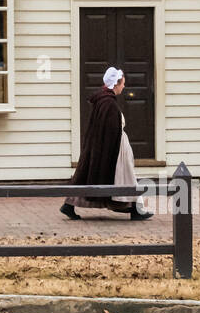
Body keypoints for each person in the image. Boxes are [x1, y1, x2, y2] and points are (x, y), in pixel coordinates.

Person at [59, 66, 153, 221]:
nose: (124, 86)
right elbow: (109, 129)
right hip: (114, 149)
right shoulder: (107, 103)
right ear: (116, 84)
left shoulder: (104, 100)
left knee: (91, 174)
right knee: (124, 177)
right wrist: (110, 153)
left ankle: (69, 205)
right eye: (123, 83)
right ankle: (135, 210)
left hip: (107, 146)